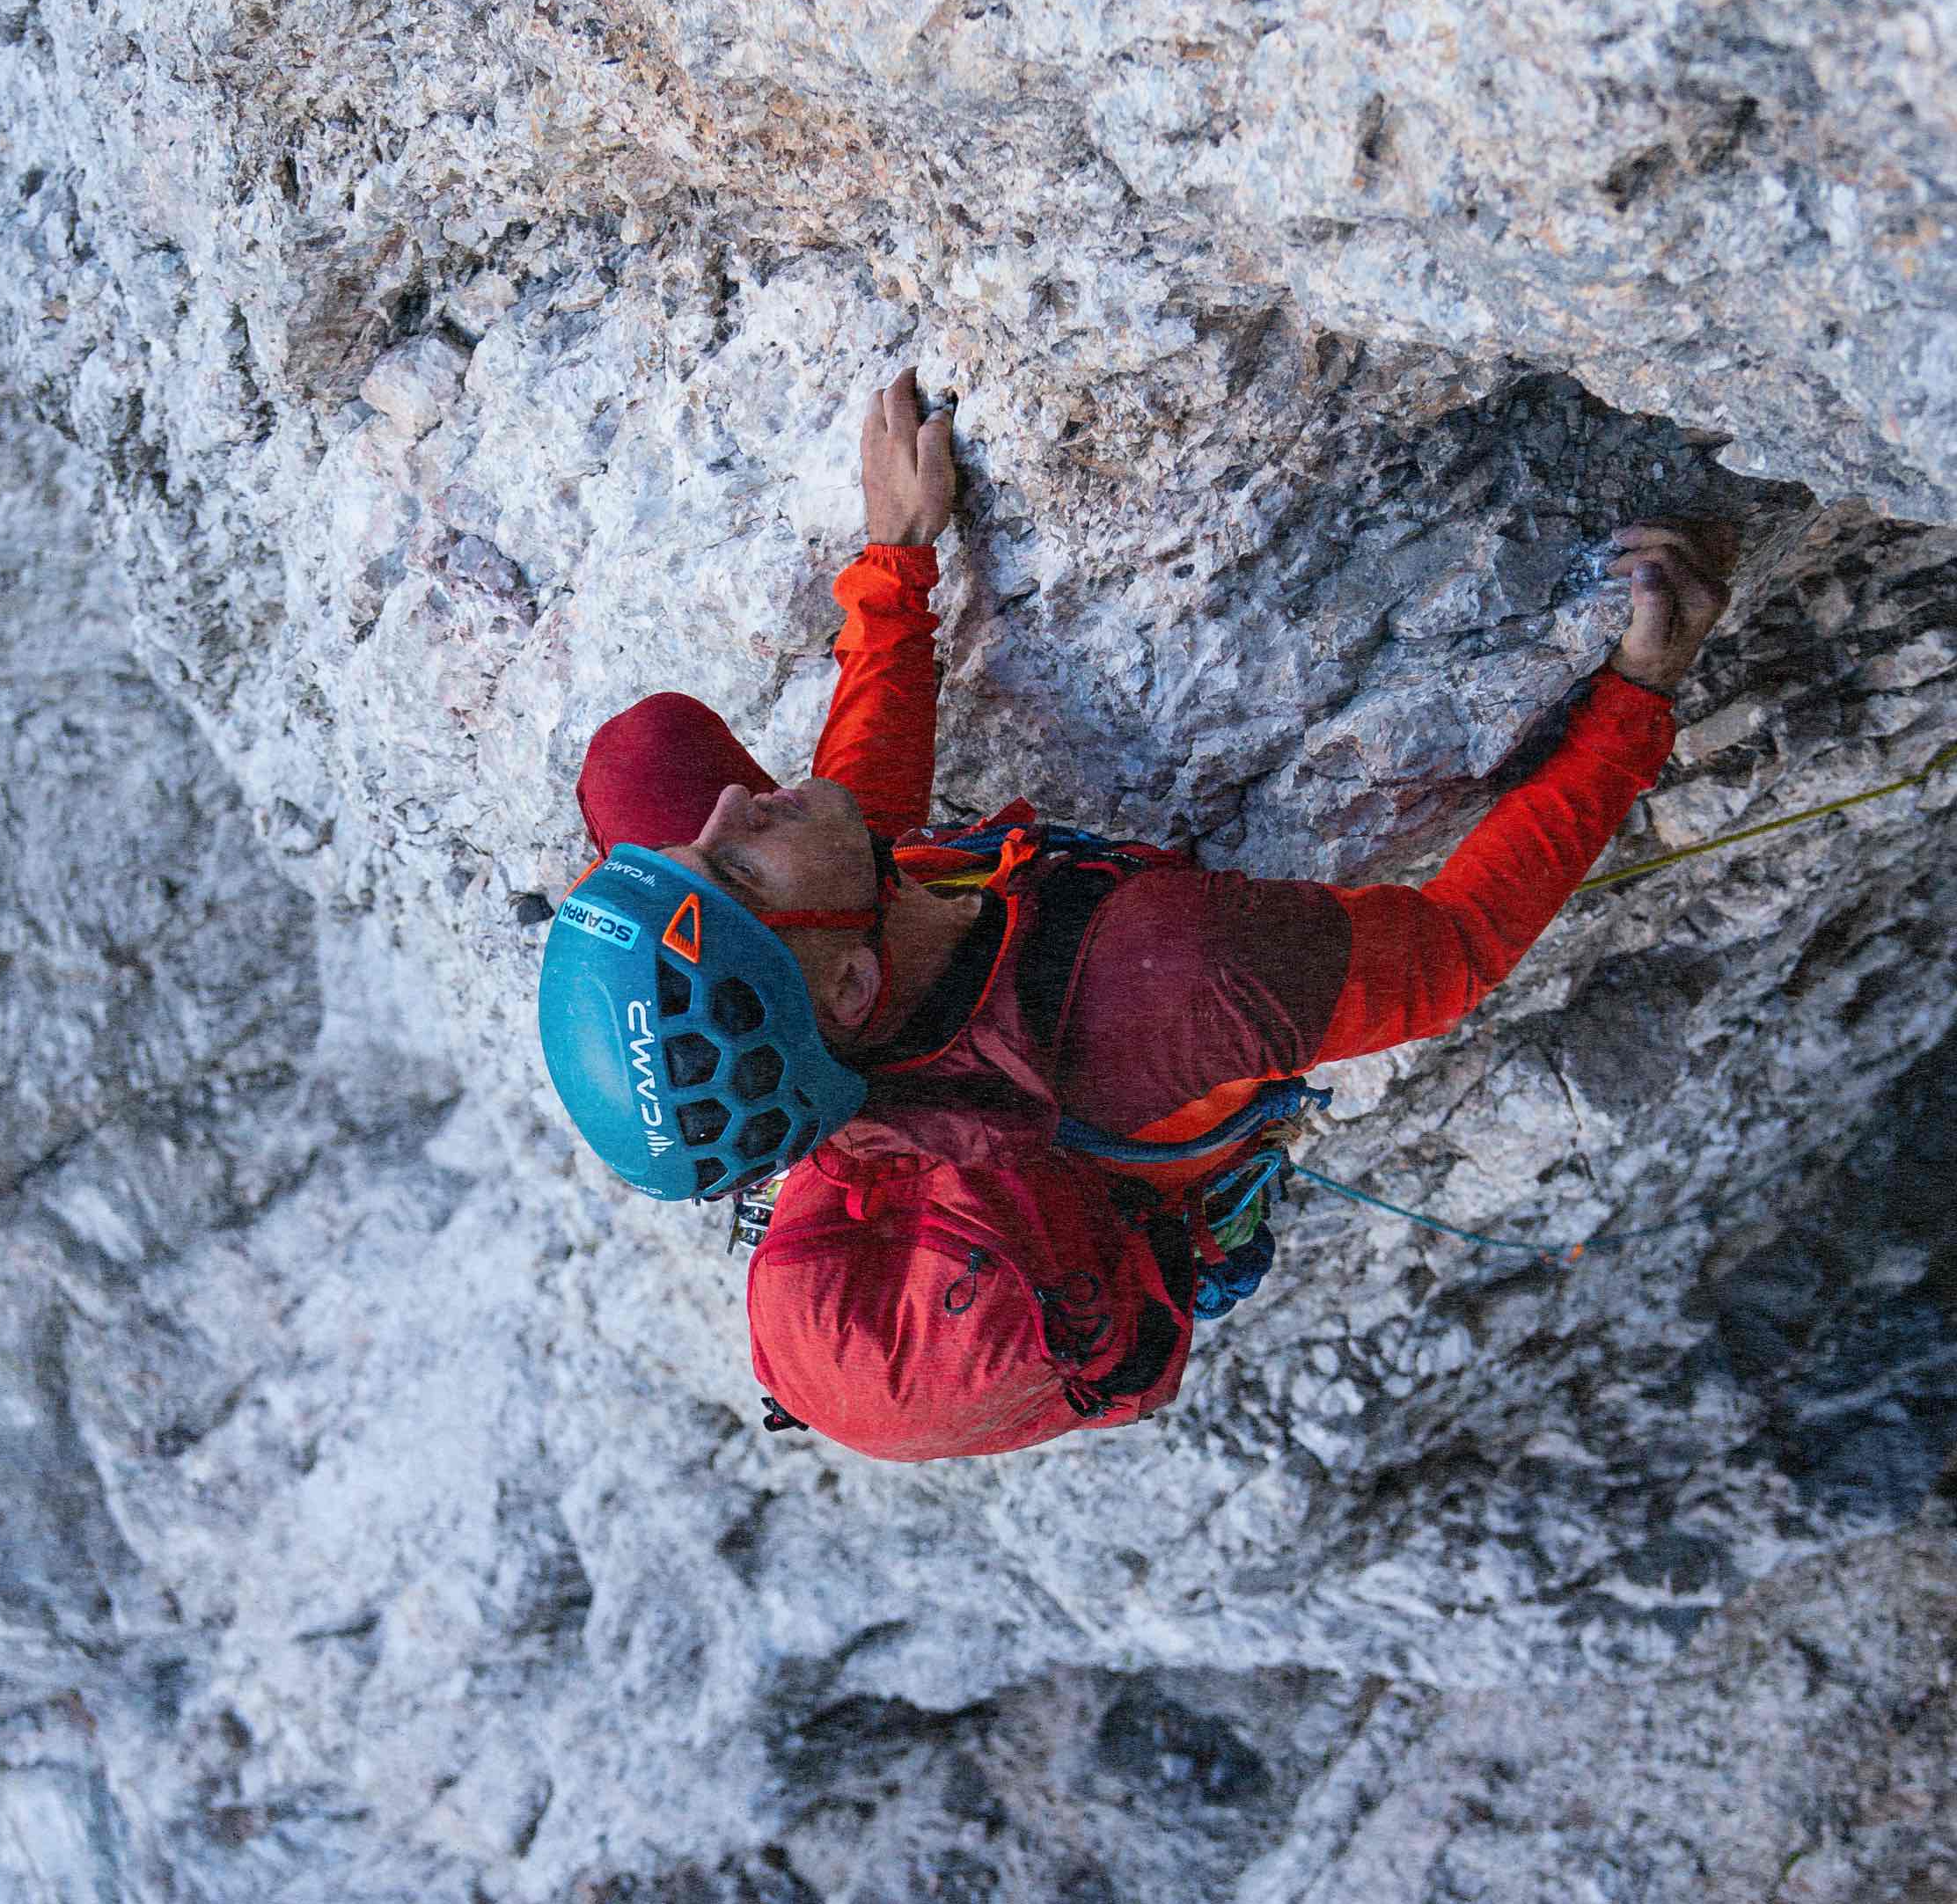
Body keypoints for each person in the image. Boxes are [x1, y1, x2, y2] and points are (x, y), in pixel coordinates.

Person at [537, 371, 1735, 1459]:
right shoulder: (1175, 981)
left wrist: (898, 563)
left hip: (882, 1019)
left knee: (641, 762)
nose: (736, 803)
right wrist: (1635, 703)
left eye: (704, 854)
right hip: (1101, 1049)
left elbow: (864, 838)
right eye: (732, 871)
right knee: (769, 844)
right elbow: (1453, 956)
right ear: (851, 990)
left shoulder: (851, 967)